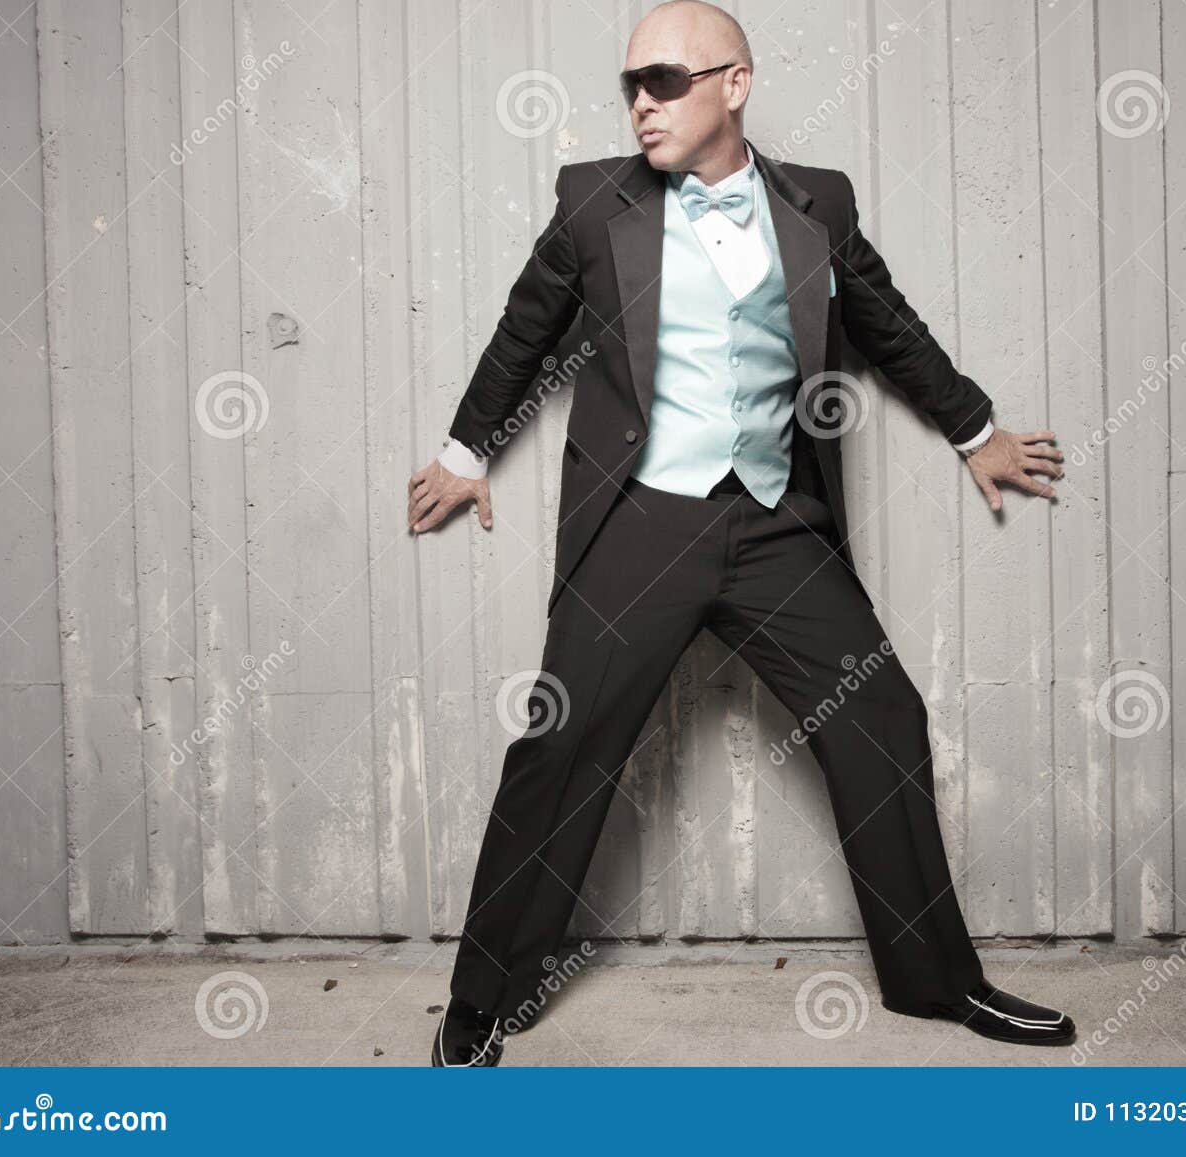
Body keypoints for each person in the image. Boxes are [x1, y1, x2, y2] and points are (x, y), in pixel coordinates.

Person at [410, 0, 1071, 1067]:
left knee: (883, 718)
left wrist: (975, 428)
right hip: (641, 521)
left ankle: (939, 980)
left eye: (664, 80)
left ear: (735, 83)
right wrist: (463, 452)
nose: (640, 103)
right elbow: (524, 329)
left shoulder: (818, 203)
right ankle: (479, 1001)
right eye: (630, 83)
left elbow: (885, 323)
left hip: (774, 521)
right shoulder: (593, 204)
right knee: (563, 743)